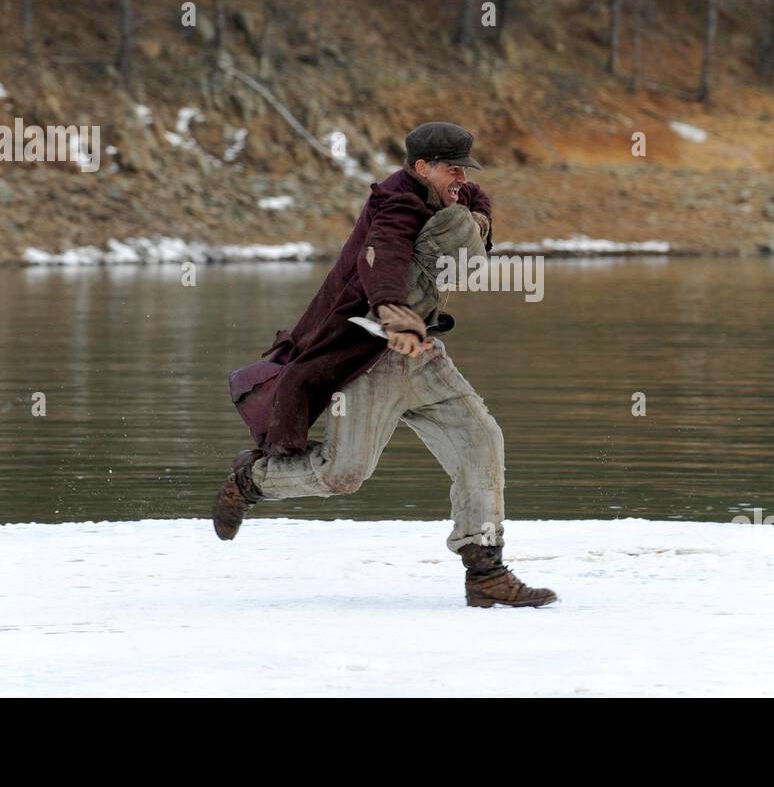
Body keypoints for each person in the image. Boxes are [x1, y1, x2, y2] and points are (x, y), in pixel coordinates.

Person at [214, 122, 557, 608]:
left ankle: (485, 571)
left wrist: (474, 217)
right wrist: (394, 313)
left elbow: (476, 207)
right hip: (370, 354)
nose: (461, 175)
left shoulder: (457, 197)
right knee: (343, 475)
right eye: (451, 167)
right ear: (421, 168)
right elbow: (384, 259)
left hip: (423, 356)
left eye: (463, 166)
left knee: (481, 441)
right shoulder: (394, 206)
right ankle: (251, 482)